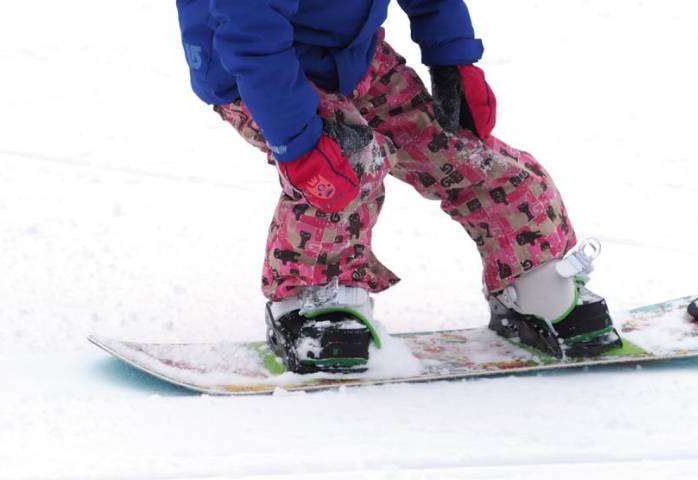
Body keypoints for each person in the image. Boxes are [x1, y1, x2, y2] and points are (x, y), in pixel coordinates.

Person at [176, 0, 621, 373]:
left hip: (353, 57)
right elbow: (250, 33)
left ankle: (531, 277)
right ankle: (309, 297)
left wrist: (453, 58)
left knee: (461, 152)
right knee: (343, 170)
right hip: (253, 70)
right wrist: (297, 142)